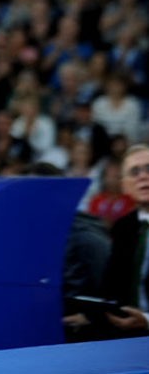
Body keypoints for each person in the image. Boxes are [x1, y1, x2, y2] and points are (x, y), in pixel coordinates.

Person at [99, 144, 149, 337]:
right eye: (134, 172)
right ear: (124, 185)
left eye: (148, 169)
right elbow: (112, 285)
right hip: (127, 334)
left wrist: (146, 320)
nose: (143, 176)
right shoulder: (123, 227)